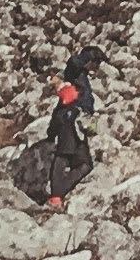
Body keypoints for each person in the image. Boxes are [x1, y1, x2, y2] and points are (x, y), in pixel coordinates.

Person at [9, 48, 102, 210]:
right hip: (70, 120)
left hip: (72, 120)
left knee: (84, 163)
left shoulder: (79, 77)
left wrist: (52, 131)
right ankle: (56, 197)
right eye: (96, 62)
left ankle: (59, 192)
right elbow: (73, 63)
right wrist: (86, 58)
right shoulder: (75, 72)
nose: (98, 66)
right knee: (64, 156)